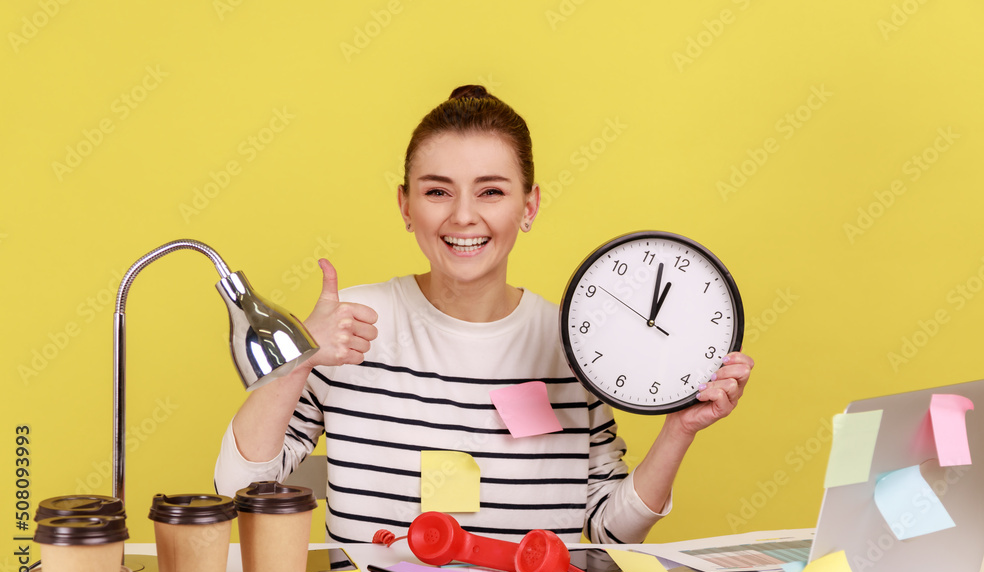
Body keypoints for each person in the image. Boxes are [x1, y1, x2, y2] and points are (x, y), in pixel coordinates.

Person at [214, 85, 753, 545]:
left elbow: (609, 530)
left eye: (491, 191)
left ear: (529, 206)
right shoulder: (348, 326)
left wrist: (680, 429)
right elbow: (237, 490)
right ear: (405, 205)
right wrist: (299, 357)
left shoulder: (574, 343)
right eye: (437, 191)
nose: (464, 216)